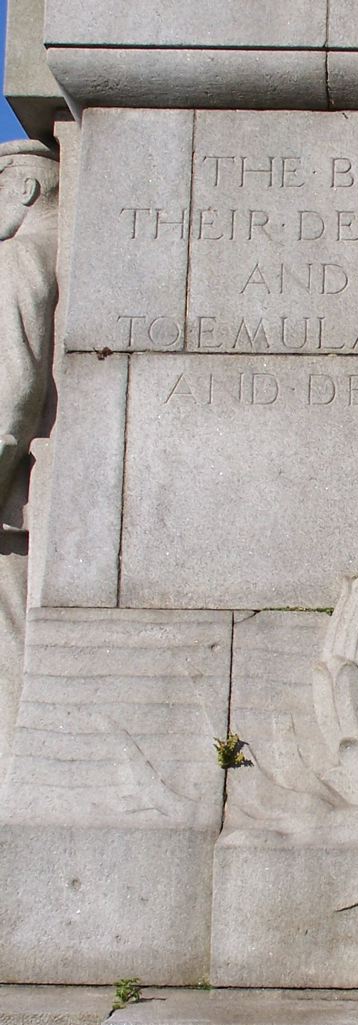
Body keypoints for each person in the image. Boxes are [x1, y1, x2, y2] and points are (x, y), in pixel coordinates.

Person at [0, 140, 60, 771]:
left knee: (10, 663)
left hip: (11, 509)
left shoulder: (19, 256)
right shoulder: (68, 247)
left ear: (21, 189)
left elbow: (9, 399)